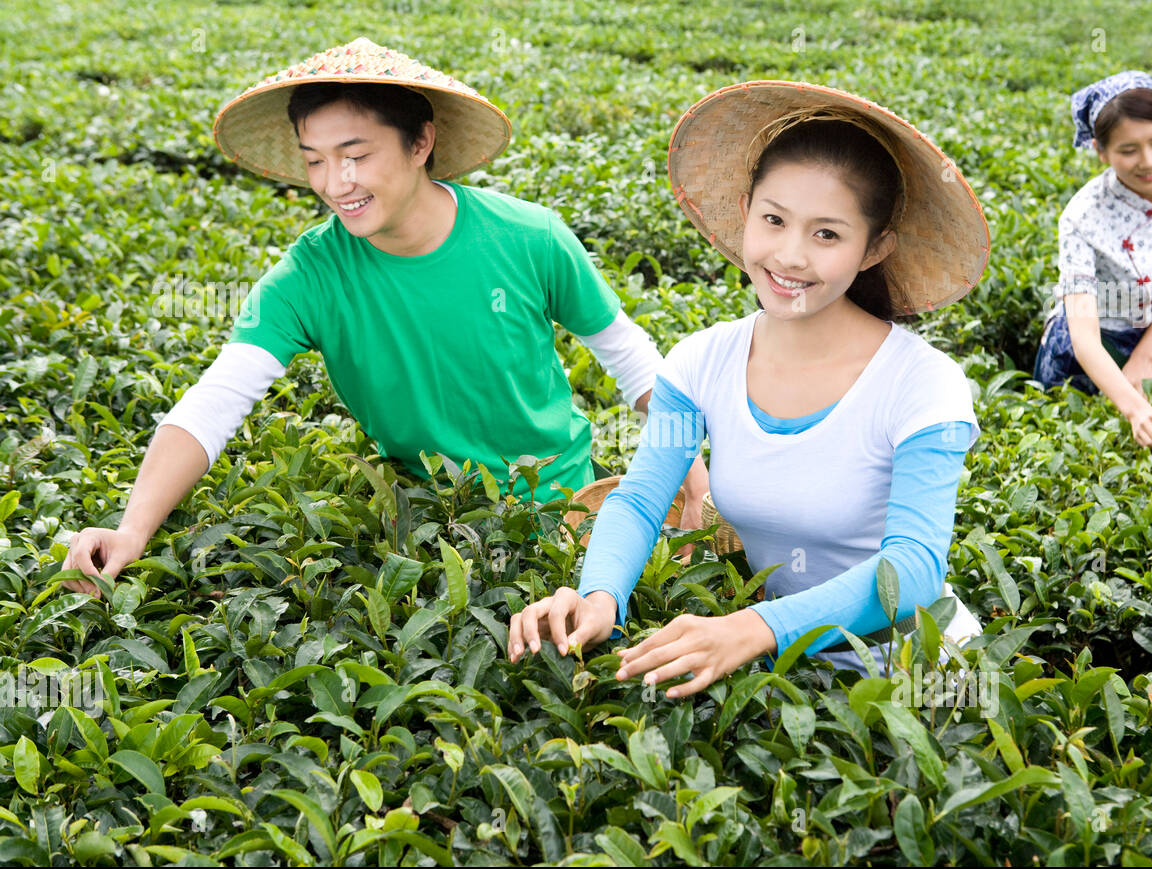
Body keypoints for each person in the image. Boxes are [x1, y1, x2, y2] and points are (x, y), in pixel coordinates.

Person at [59, 38, 707, 596]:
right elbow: (216, 400)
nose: (335, 182)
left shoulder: (531, 239)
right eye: (314, 159)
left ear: (420, 142)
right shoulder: (309, 275)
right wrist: (131, 528)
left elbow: (630, 357)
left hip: (563, 508)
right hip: (426, 520)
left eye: (356, 154)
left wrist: (684, 460)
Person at [508, 81, 990, 694]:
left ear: (875, 249)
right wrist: (599, 595)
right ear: (744, 214)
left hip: (916, 683)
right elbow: (641, 497)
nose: (789, 256)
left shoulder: (923, 386)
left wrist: (754, 626)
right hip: (782, 677)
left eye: (827, 235)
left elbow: (914, 570)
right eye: (774, 220)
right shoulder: (702, 363)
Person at [1032, 70, 1152, 448]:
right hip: (1091, 353)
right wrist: (1135, 410)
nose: (1148, 162)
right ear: (1101, 151)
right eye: (1128, 151)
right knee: (1068, 442)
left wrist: (1146, 355)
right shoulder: (1083, 218)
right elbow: (1084, 337)